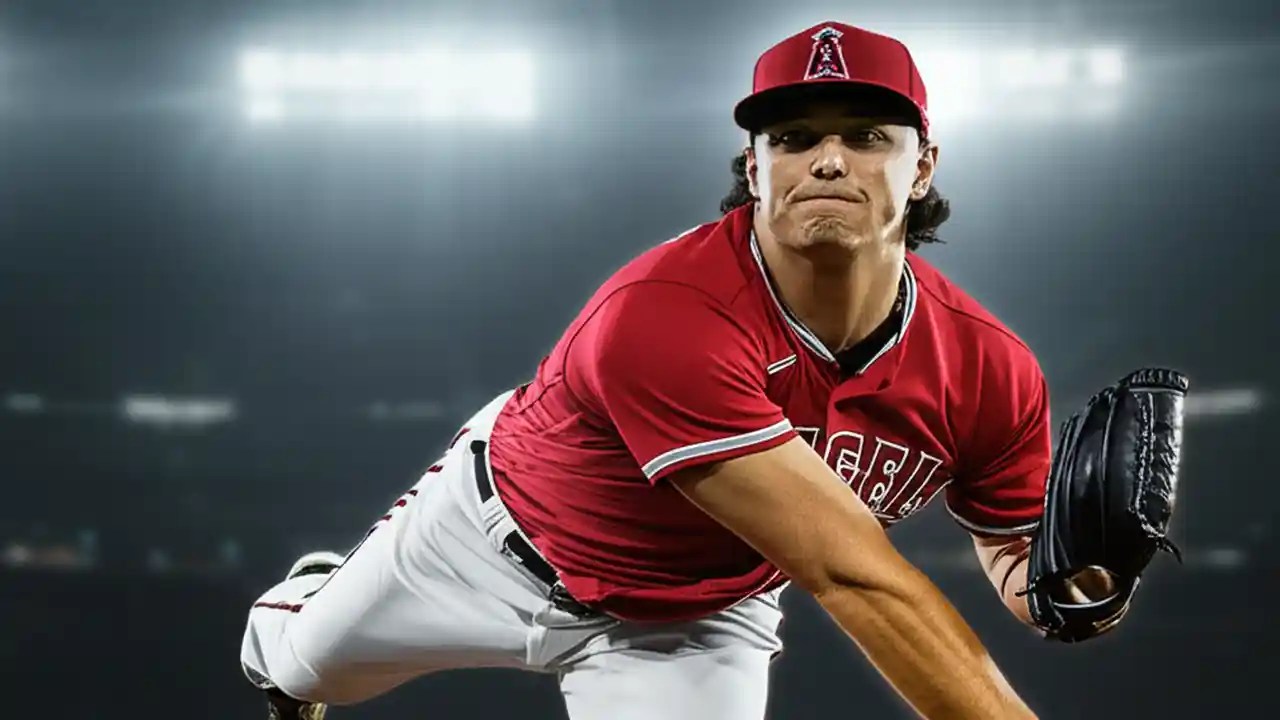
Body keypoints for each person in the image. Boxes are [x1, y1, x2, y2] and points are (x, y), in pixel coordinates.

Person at [240, 21, 1099, 720]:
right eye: (794, 138)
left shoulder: (988, 367)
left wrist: (1085, 587)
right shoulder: (665, 313)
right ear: (753, 167)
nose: (829, 160)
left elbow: (1020, 553)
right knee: (305, 668)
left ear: (924, 166)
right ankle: (305, 601)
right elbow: (852, 574)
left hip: (693, 618)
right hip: (487, 546)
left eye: (868, 136)